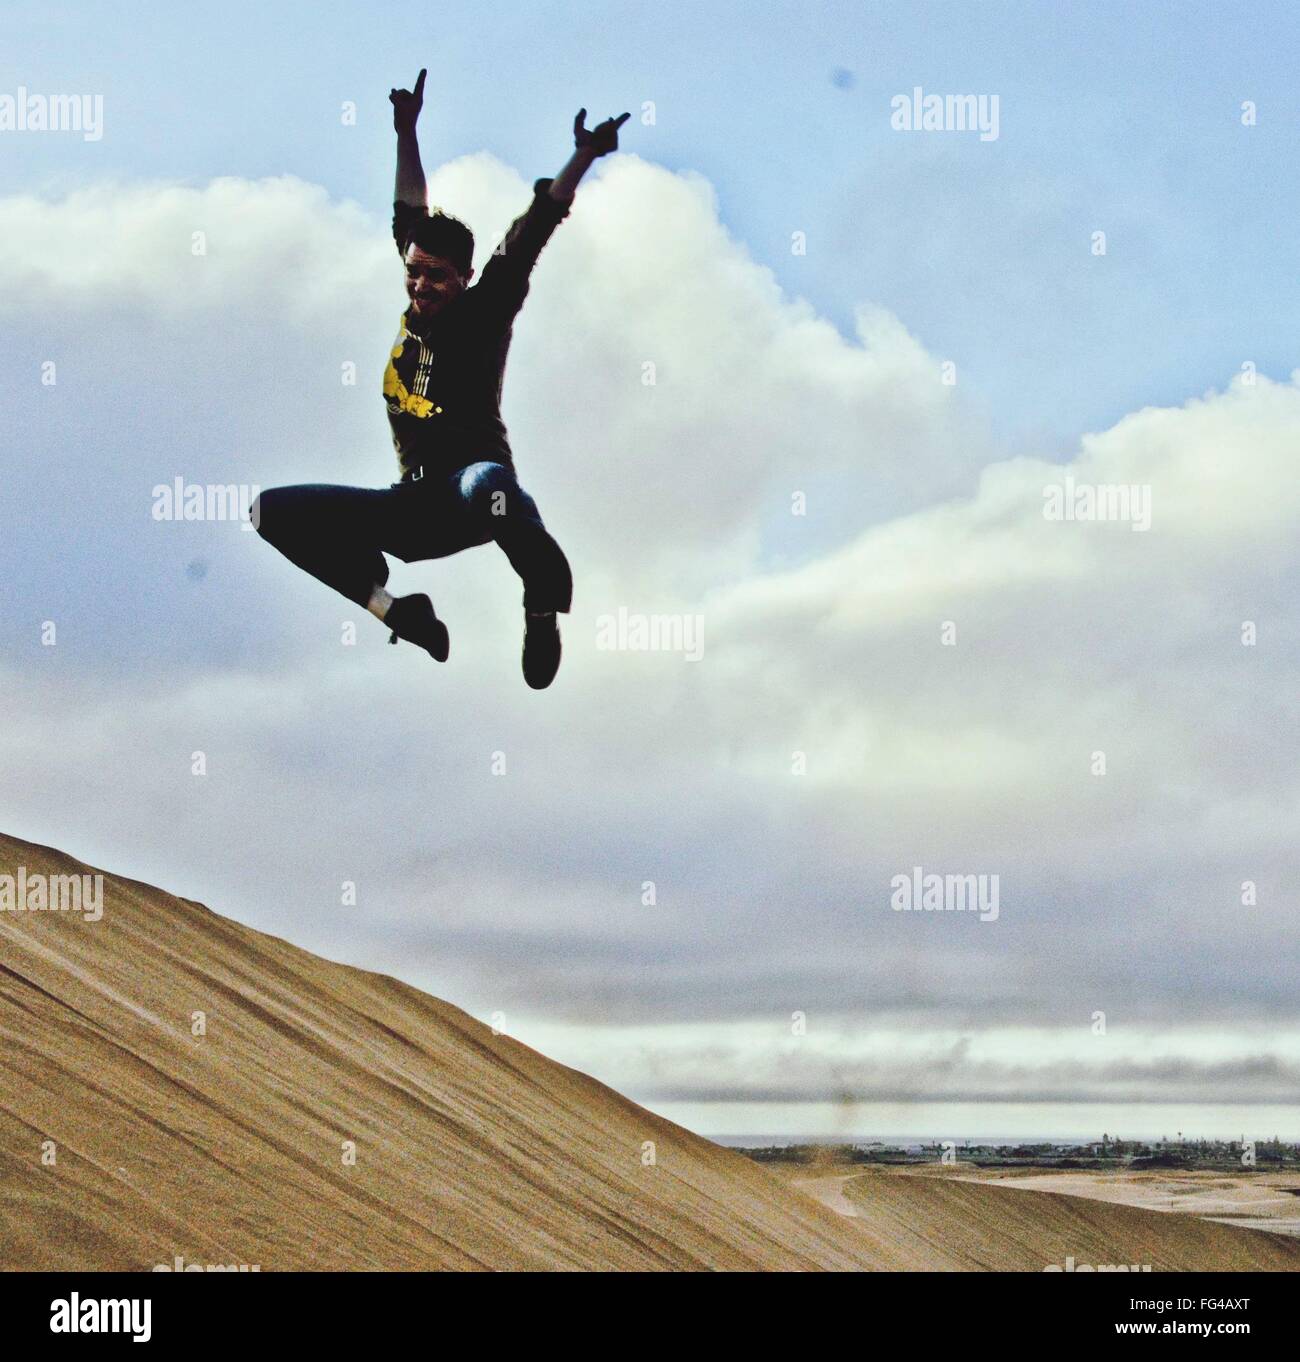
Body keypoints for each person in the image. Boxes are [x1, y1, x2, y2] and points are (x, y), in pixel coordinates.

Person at [253, 68, 628, 688]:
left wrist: (583, 155)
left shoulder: (486, 306)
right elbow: (411, 209)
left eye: (438, 278)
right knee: (272, 513)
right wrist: (406, 129)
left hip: (475, 495)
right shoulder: (418, 260)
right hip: (414, 507)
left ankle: (540, 604)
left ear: (465, 275)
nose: (422, 287)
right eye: (414, 274)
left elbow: (534, 229)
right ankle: (398, 611)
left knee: (488, 483)